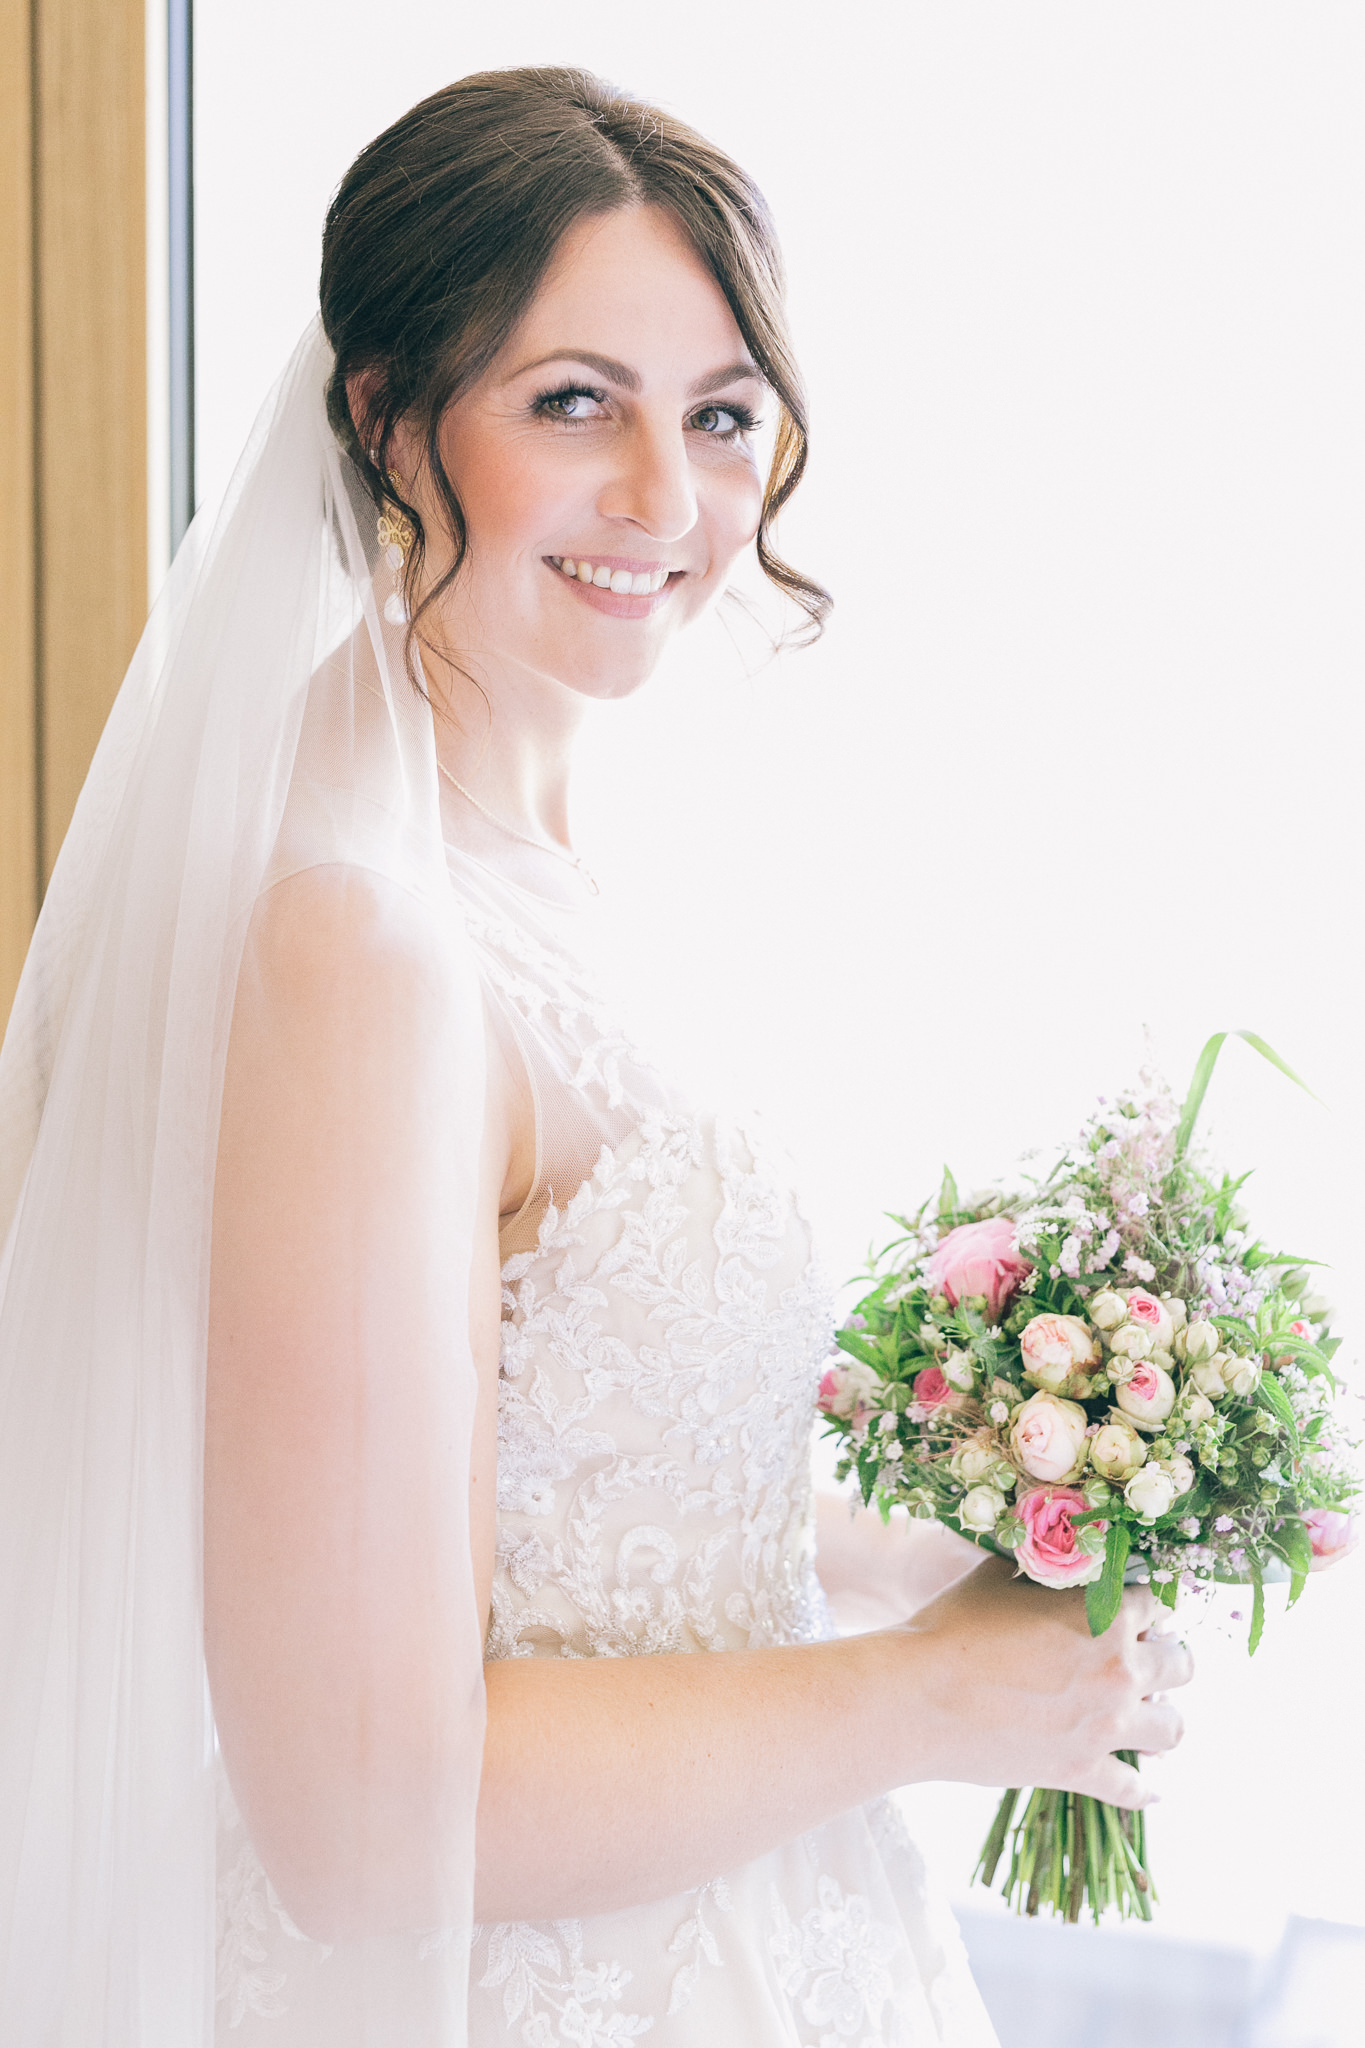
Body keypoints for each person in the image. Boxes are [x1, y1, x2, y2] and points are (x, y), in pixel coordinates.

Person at [0, 68, 1191, 2048]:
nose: (664, 497)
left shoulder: (566, 852)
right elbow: (358, 1825)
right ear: (389, 419)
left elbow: (570, 1495)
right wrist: (930, 1701)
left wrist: (946, 1554)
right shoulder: (360, 940)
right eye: (573, 403)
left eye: (717, 415)